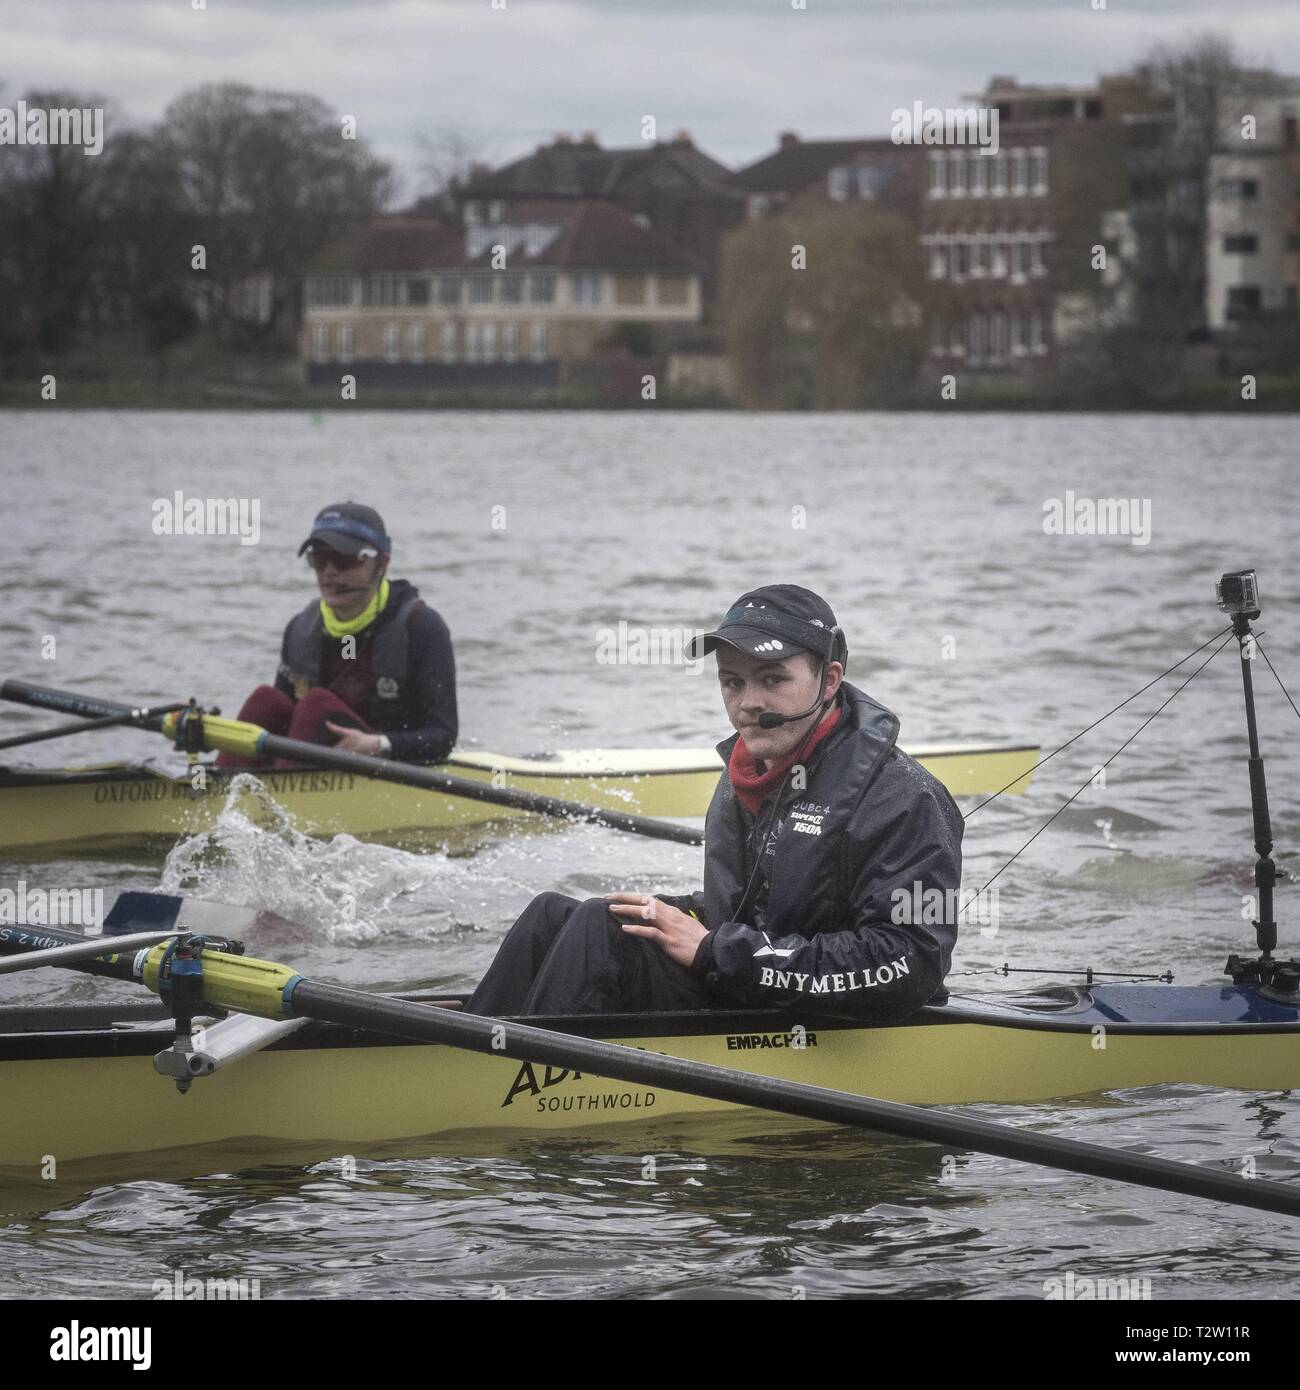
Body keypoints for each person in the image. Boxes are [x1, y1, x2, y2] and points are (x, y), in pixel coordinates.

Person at [467, 584, 963, 1020]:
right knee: (561, 914)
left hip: (830, 1021)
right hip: (755, 986)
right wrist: (674, 916)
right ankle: (472, 1049)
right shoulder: (745, 776)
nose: (748, 703)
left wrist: (714, 949)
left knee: (601, 930)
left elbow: (909, 964)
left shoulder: (906, 798)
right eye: (733, 682)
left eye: (773, 679)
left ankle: (504, 1082)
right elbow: (767, 914)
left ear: (829, 681)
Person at [216, 501, 457, 768]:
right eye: (319, 559)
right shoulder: (299, 629)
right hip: (312, 759)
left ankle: (275, 800)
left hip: (384, 766)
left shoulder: (422, 628)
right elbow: (278, 723)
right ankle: (208, 791)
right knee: (266, 700)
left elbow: (442, 737)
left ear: (383, 563)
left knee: (315, 703)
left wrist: (378, 744)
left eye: (344, 559)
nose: (329, 572)